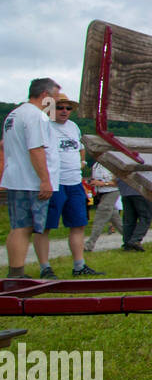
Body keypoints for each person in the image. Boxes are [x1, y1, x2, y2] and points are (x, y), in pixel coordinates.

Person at [2, 79, 59, 279]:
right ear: (45, 95)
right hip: (30, 180)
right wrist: (45, 179)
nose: (57, 102)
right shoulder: (36, 117)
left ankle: (15, 271)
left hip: (16, 176)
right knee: (24, 227)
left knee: (19, 226)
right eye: (55, 96)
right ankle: (16, 275)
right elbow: (36, 149)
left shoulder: (15, 114)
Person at [44, 95, 103, 277]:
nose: (64, 111)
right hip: (54, 182)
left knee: (78, 224)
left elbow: (80, 147)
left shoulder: (73, 127)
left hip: (75, 181)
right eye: (59, 107)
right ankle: (45, 267)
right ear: (51, 110)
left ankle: (79, 265)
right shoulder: (45, 127)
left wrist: (83, 161)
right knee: (45, 226)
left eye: (67, 108)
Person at [84, 162, 122, 252]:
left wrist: (103, 184)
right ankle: (131, 238)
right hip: (101, 193)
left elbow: (119, 182)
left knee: (100, 217)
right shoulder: (96, 165)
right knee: (115, 218)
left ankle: (89, 244)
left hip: (112, 191)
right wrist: (93, 183)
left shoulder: (114, 164)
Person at [118, 178, 152, 252]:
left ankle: (127, 244)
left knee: (129, 220)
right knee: (145, 217)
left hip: (125, 190)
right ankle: (135, 240)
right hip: (141, 190)